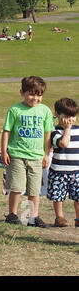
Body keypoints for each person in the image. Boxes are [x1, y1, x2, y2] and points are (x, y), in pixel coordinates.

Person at [2, 75, 53, 226]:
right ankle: (12, 214)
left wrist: (46, 154)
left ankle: (33, 217)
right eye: (31, 94)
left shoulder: (45, 111)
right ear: (22, 92)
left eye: (39, 95)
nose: (35, 98)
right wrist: (4, 151)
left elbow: (48, 133)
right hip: (17, 154)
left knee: (34, 189)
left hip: (36, 156)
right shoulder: (15, 110)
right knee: (16, 187)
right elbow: (6, 131)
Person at [46, 97, 79, 226]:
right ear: (57, 115)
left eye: (73, 116)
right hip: (59, 171)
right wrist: (67, 129)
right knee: (58, 196)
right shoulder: (54, 132)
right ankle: (59, 217)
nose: (70, 119)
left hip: (76, 171)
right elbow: (64, 143)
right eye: (66, 116)